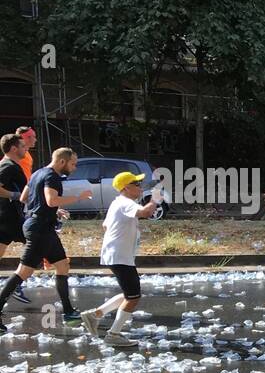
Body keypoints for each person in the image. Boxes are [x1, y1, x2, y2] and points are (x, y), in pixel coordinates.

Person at [0, 147, 93, 333]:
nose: (74, 168)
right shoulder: (53, 177)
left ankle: (68, 311)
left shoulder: (37, 173)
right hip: (40, 230)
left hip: (44, 228)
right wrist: (77, 198)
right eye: (73, 164)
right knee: (24, 272)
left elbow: (26, 197)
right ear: (62, 162)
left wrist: (53, 210)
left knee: (62, 265)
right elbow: (51, 200)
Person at [81, 171, 162, 344]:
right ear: (126, 187)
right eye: (137, 184)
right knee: (133, 297)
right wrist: (155, 199)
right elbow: (146, 212)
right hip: (120, 256)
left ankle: (95, 315)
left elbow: (105, 226)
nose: (140, 187)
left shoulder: (117, 203)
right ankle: (113, 335)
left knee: (129, 294)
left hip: (118, 255)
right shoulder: (125, 203)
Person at [0, 134, 33, 304]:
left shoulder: (12, 165)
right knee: (39, 245)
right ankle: (16, 284)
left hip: (8, 218)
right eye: (22, 146)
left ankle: (15, 283)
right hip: (10, 219)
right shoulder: (8, 166)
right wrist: (16, 195)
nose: (26, 148)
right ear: (14, 148)